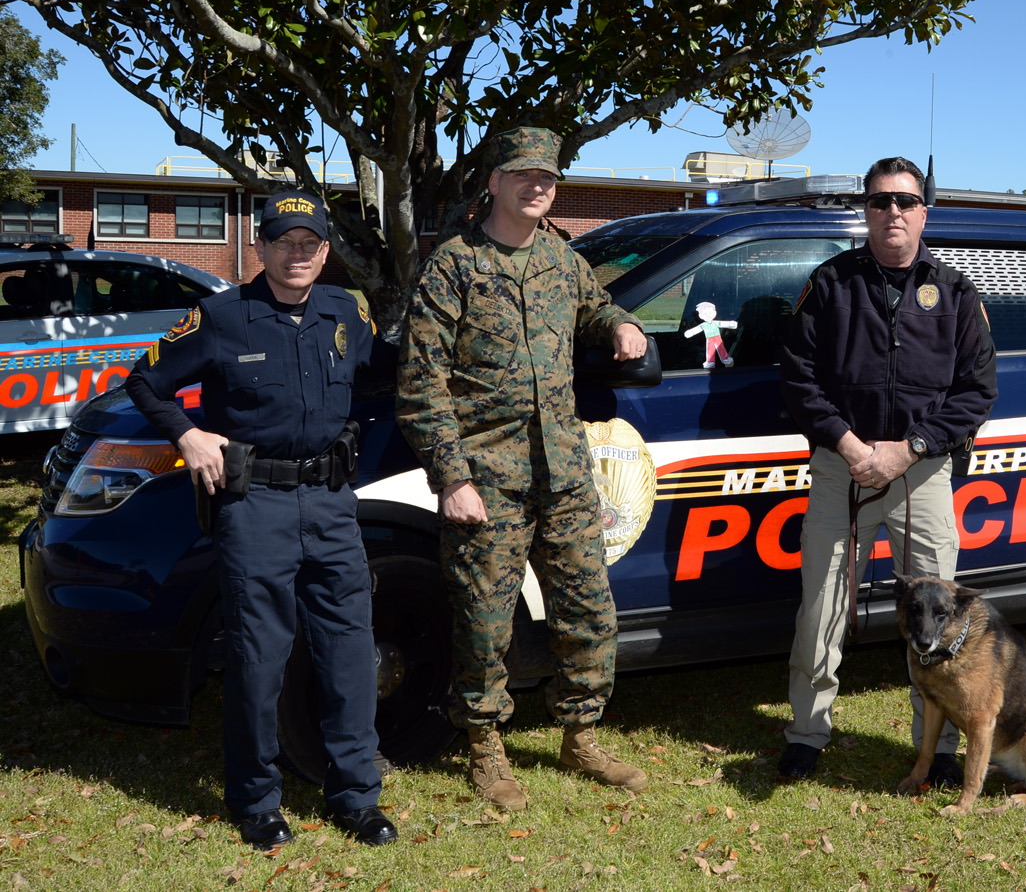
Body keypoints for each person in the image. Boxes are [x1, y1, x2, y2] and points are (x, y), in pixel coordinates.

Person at [124, 191, 396, 848]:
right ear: (262, 248)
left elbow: (382, 375)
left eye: (309, 243)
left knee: (350, 650)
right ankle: (256, 800)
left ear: (325, 250)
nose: (297, 254)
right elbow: (144, 384)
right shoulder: (219, 317)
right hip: (256, 507)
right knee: (259, 656)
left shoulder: (347, 310)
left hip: (332, 503)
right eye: (284, 242)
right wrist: (187, 437)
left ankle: (356, 796)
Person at [396, 126, 650, 812]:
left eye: (548, 176)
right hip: (489, 478)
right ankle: (484, 746)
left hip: (564, 474)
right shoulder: (455, 264)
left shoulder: (561, 259)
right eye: (523, 175)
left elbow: (596, 307)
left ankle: (582, 734)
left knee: (589, 612)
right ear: (495, 183)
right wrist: (453, 478)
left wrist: (622, 324)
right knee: (485, 621)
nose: (538, 185)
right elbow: (422, 384)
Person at [777, 156, 998, 781]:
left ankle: (942, 748)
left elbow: (976, 391)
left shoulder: (954, 292)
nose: (892, 212)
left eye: (904, 201)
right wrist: (849, 445)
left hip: (921, 470)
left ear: (924, 212)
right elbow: (799, 380)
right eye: (880, 202)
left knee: (939, 614)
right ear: (865, 211)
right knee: (821, 604)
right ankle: (806, 733)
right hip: (841, 467)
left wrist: (912, 447)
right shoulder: (830, 284)